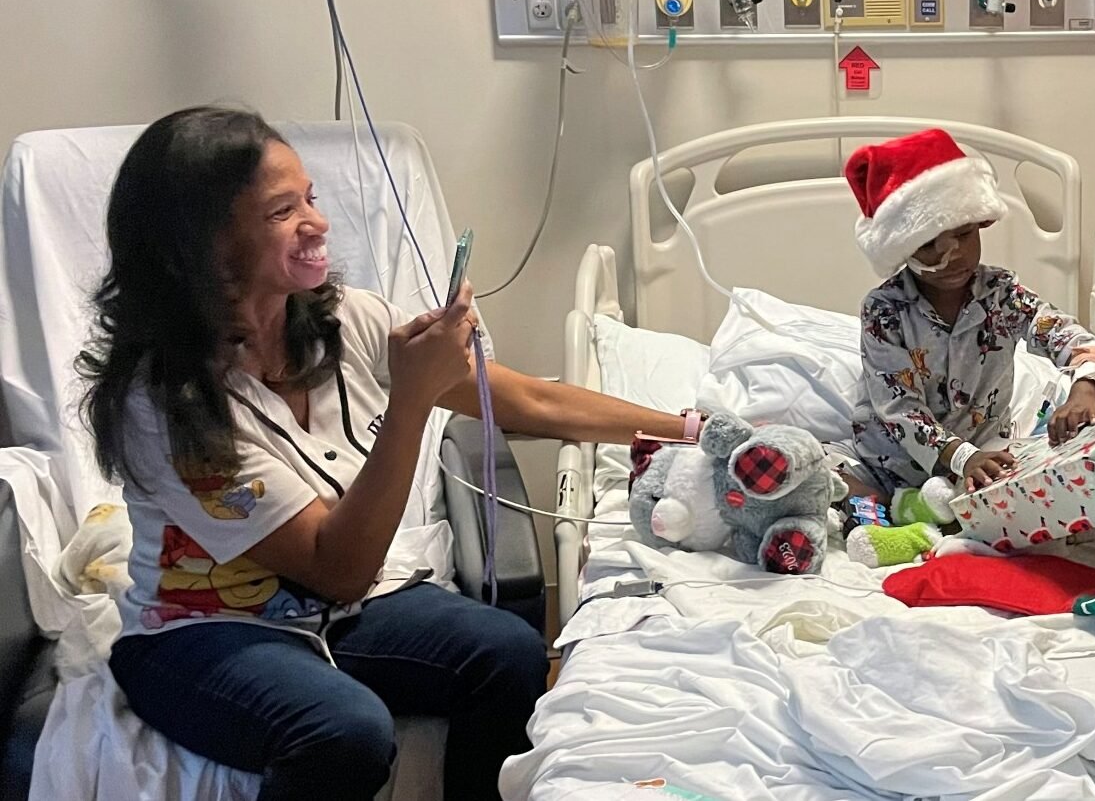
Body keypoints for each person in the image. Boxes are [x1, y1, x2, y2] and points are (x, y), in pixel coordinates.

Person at [78, 107, 713, 801]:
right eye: (282, 210)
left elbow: (527, 400)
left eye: (311, 199)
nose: (316, 223)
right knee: (344, 728)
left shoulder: (343, 318)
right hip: (201, 634)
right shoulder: (166, 404)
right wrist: (412, 398)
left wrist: (686, 428)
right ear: (202, 245)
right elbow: (338, 568)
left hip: (341, 612)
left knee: (507, 653)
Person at [835, 129, 1095, 500]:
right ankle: (893, 507)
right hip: (893, 465)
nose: (954, 257)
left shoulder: (1002, 295)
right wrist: (961, 457)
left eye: (964, 235)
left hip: (984, 457)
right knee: (821, 477)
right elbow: (899, 408)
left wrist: (1085, 388)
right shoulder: (885, 312)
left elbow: (1067, 336)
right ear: (902, 247)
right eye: (930, 245)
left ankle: (935, 512)